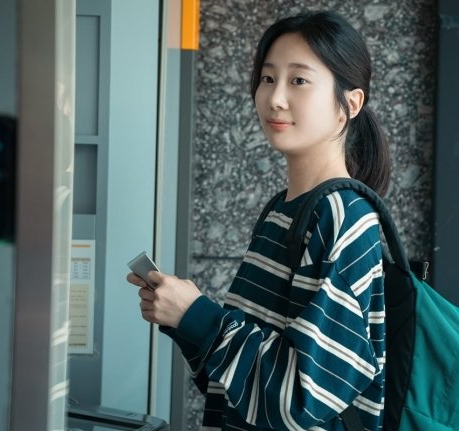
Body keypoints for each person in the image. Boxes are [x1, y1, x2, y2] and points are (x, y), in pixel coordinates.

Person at [127, 10, 391, 430]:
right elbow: (235, 390)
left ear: (350, 104)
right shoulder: (283, 211)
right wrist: (183, 319)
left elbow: (300, 402)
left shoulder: (342, 217)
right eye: (268, 78)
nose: (275, 98)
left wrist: (197, 316)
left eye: (298, 80)